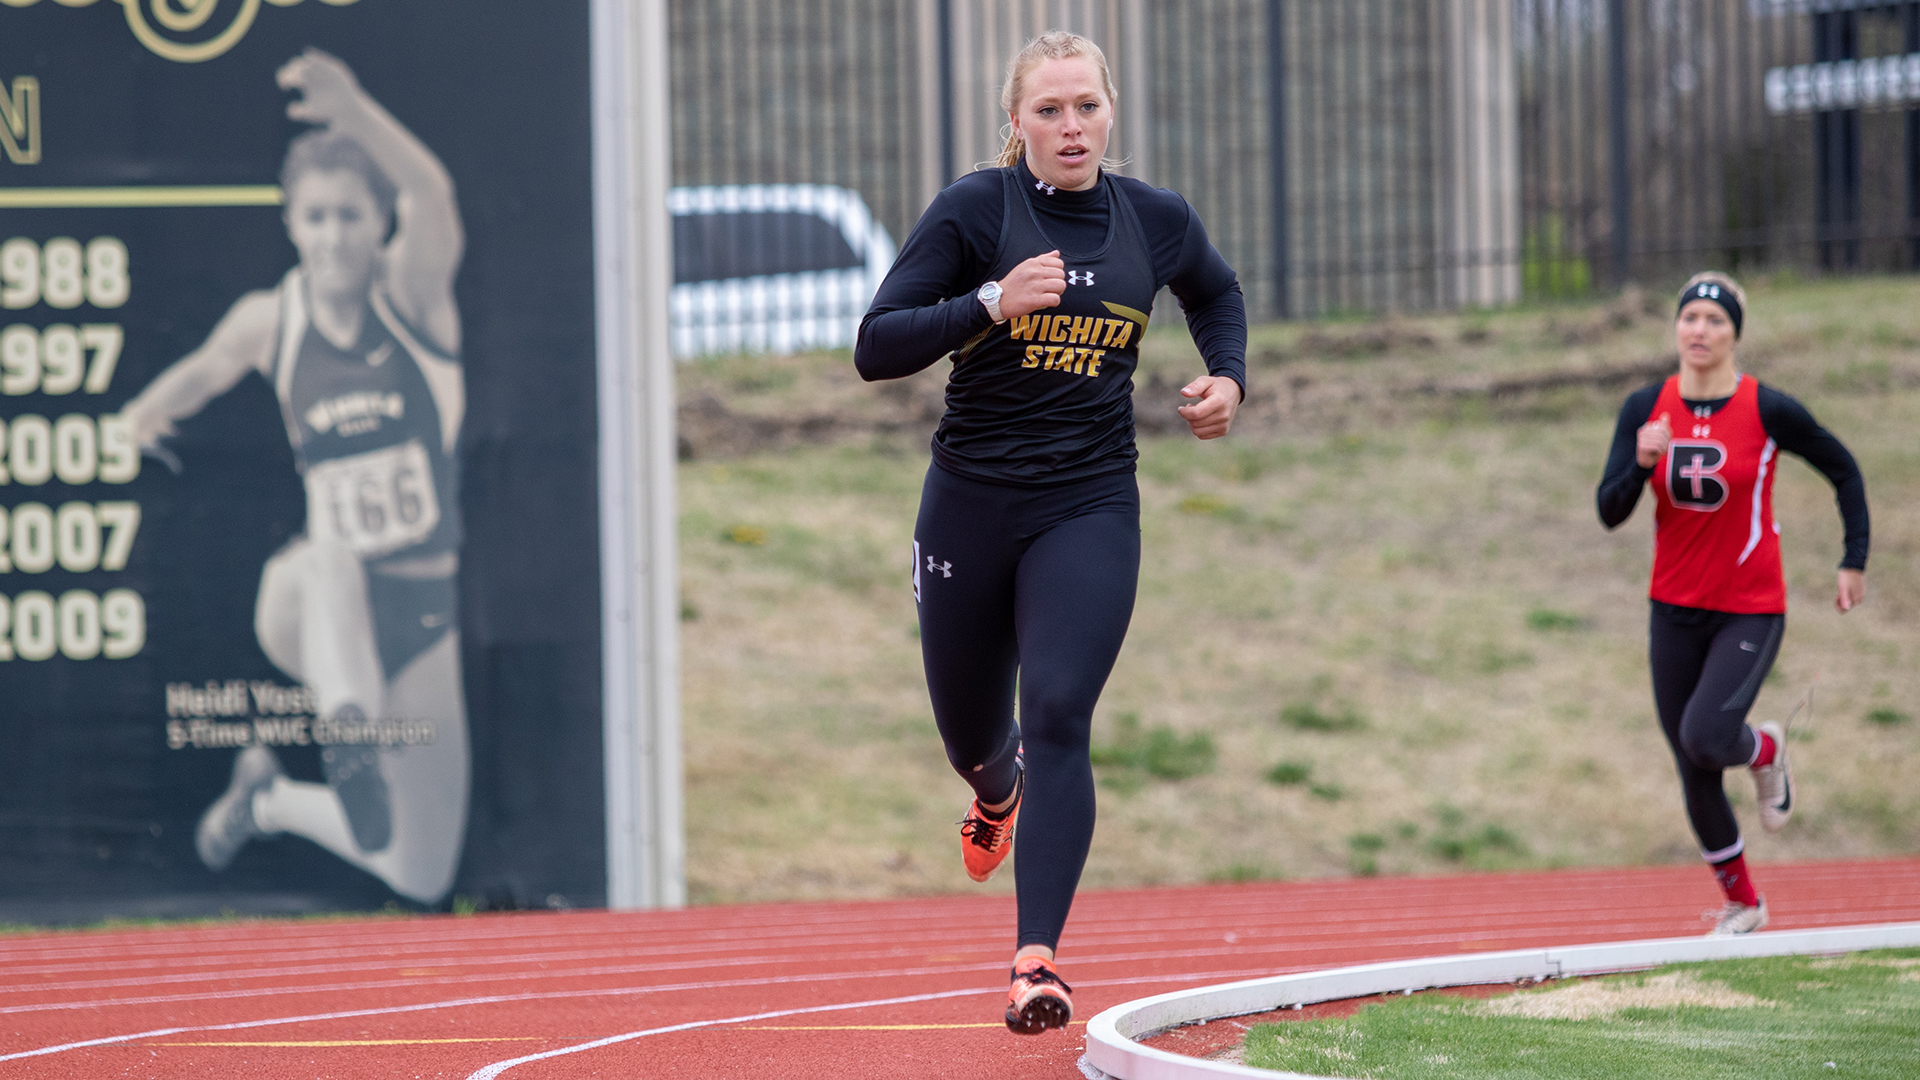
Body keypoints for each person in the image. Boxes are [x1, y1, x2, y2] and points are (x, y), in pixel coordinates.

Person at [854, 31, 1246, 1032]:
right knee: (973, 739)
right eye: (1049, 111)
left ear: (1110, 114)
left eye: (1085, 108)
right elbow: (875, 345)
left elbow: (1216, 289)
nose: (1070, 128)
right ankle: (997, 795)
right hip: (970, 506)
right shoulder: (976, 211)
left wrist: (1227, 376)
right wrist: (988, 302)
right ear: (1016, 123)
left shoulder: (1152, 219)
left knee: (1061, 709)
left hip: (1090, 503)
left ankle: (1037, 962)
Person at [121, 49, 469, 906]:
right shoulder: (271, 320)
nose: (333, 237)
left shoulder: (415, 297)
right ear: (290, 225)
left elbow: (434, 196)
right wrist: (136, 421)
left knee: (419, 870)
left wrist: (353, 112)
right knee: (329, 558)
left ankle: (270, 800)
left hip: (422, 610)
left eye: (351, 217)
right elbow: (200, 373)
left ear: (379, 224)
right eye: (315, 218)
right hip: (312, 607)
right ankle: (346, 724)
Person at [1597, 272, 1868, 936]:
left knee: (1709, 737)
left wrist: (1852, 558)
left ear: (1734, 334)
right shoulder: (1644, 407)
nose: (1700, 330)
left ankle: (1766, 747)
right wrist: (1639, 461)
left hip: (1749, 607)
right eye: (1689, 317)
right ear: (1676, 327)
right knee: (1692, 766)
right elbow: (1610, 510)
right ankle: (1745, 904)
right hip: (1673, 609)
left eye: (1715, 321)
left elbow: (1844, 468)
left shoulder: (1769, 410)